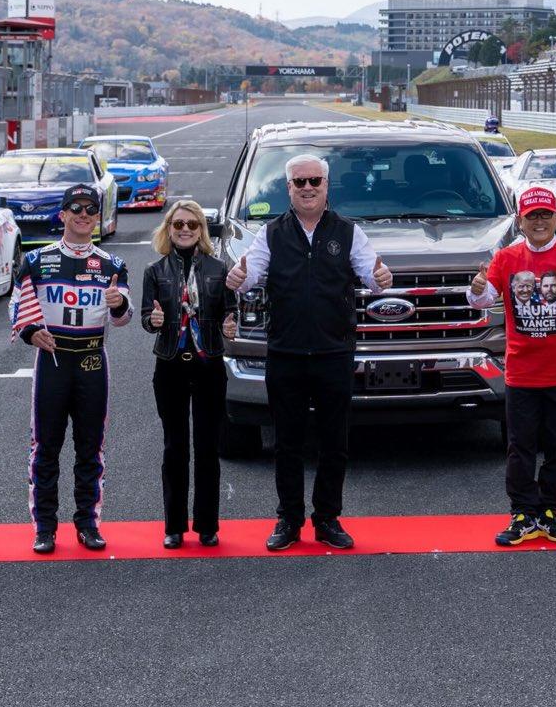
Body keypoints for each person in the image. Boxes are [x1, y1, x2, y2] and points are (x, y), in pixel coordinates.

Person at [225, 151, 394, 552]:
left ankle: (328, 518)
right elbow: (249, 278)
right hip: (285, 353)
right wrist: (239, 278)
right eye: (299, 182)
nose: (307, 188)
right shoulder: (270, 233)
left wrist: (381, 277)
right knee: (287, 442)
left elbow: (374, 275)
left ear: (325, 185)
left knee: (335, 441)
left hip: (334, 353)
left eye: (314, 181)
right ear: (288, 188)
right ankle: (288, 518)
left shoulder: (349, 232)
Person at [468, 186, 556, 546]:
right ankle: (523, 512)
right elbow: (481, 298)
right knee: (520, 444)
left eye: (546, 215)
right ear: (520, 221)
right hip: (522, 371)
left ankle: (549, 509)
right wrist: (477, 286)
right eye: (532, 216)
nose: (540, 222)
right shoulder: (507, 259)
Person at [12, 184, 130, 554]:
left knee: (90, 448)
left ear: (98, 217)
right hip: (53, 360)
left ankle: (87, 523)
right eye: (75, 208)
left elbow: (125, 318)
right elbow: (17, 310)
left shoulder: (113, 265)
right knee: (45, 446)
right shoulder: (36, 260)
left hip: (93, 360)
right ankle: (45, 527)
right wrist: (31, 332)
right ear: (62, 214)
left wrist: (116, 304)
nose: (83, 215)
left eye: (90, 209)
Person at [141, 198, 237, 549]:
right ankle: (174, 526)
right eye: (178, 224)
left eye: (191, 224)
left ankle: (208, 525)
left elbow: (232, 311)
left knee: (208, 447)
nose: (184, 230)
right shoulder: (154, 271)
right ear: (168, 229)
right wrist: (152, 322)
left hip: (209, 365)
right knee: (174, 447)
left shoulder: (218, 268)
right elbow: (144, 319)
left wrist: (231, 324)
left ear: (201, 230)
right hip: (169, 367)